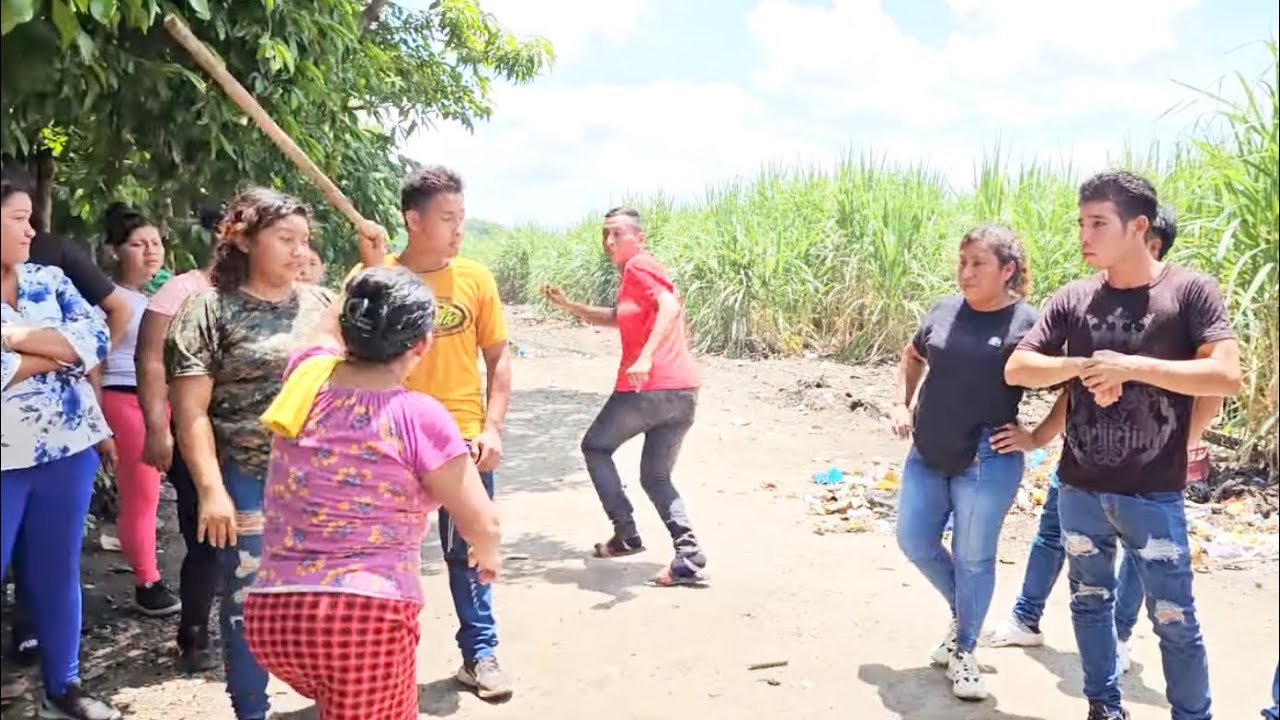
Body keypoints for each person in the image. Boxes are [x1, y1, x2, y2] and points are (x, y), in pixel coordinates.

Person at [1006, 170, 1240, 720]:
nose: (1084, 236)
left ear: (1138, 227)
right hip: (1079, 488)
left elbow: (1226, 375)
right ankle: (1103, 707)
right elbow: (1019, 367)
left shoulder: (1188, 292)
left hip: (1153, 492)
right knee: (1089, 604)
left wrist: (1131, 367)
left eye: (1098, 223)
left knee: (1174, 618)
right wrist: (1084, 365)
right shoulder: (1075, 297)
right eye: (1081, 223)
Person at [245, 265, 502, 720]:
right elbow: (482, 521)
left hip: (273, 615)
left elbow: (325, 327)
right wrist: (487, 555)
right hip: (363, 618)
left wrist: (366, 275)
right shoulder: (418, 415)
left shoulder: (305, 376)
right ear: (422, 343)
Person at [167, 188, 336, 720]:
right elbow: (191, 412)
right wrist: (211, 490)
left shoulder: (323, 305)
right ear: (242, 239)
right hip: (245, 476)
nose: (298, 251)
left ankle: (334, 698)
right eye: (285, 239)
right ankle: (251, 708)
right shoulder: (208, 310)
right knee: (249, 598)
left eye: (304, 240)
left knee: (324, 595)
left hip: (320, 479)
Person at [349, 165, 514, 700]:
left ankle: (480, 654)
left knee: (469, 547)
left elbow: (499, 358)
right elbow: (346, 352)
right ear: (412, 220)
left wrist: (492, 428)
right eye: (447, 218)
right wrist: (372, 268)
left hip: (461, 439)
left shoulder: (475, 279)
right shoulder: (375, 275)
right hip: (390, 439)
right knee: (380, 552)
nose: (458, 228)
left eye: (462, 217)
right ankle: (371, 663)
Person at [887, 224, 1059, 701]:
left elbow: (1072, 383)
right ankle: (965, 614)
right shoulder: (944, 310)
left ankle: (965, 651)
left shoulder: (1028, 324)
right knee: (914, 540)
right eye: (963, 262)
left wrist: (1037, 436)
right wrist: (901, 403)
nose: (966, 272)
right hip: (927, 450)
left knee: (973, 557)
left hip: (987, 458)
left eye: (978, 263)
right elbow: (912, 355)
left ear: (1008, 270)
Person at [1, 167, 121, 719]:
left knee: (57, 570)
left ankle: (63, 687)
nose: (32, 231)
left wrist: (14, 340)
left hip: (67, 450)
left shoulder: (48, 279)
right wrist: (57, 354)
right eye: (19, 219)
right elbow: (71, 349)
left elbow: (95, 338)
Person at [538, 207, 707, 587]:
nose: (609, 241)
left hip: (648, 389)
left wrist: (645, 356)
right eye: (605, 234)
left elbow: (669, 305)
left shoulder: (640, 265)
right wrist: (570, 306)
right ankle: (688, 554)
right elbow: (618, 317)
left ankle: (626, 532)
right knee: (655, 476)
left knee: (596, 447)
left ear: (639, 238)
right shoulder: (633, 278)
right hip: (682, 394)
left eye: (618, 233)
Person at [136, 201, 224, 672]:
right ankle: (194, 635)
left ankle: (258, 633)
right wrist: (156, 427)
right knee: (205, 536)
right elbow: (151, 360)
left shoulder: (270, 292)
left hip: (254, 436)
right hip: (193, 429)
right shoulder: (182, 290)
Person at [96, 203, 182, 617]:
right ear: (115, 251)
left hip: (160, 401)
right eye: (138, 244)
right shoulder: (109, 300)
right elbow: (93, 362)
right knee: (142, 494)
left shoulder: (160, 296)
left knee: (151, 491)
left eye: (156, 243)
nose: (151, 251)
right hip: (123, 397)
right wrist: (98, 422)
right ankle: (147, 582)